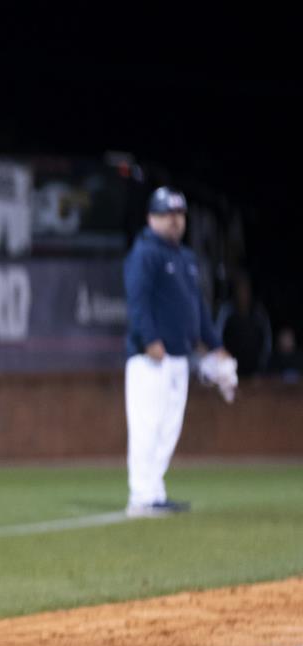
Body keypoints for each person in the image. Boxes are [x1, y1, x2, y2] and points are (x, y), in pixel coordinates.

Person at [123, 187, 228, 517]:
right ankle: (141, 496)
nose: (175, 221)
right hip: (149, 358)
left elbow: (197, 306)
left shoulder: (185, 258)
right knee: (147, 426)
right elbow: (137, 301)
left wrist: (215, 344)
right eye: (168, 215)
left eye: (179, 215)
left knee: (168, 428)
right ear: (151, 218)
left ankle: (155, 491)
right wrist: (150, 338)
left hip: (179, 357)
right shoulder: (144, 253)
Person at [215, 272, 273, 380]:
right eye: (239, 289)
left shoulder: (258, 312)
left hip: (256, 370)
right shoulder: (227, 311)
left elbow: (267, 343)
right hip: (231, 369)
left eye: (245, 289)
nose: (242, 294)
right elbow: (218, 339)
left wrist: (262, 367)